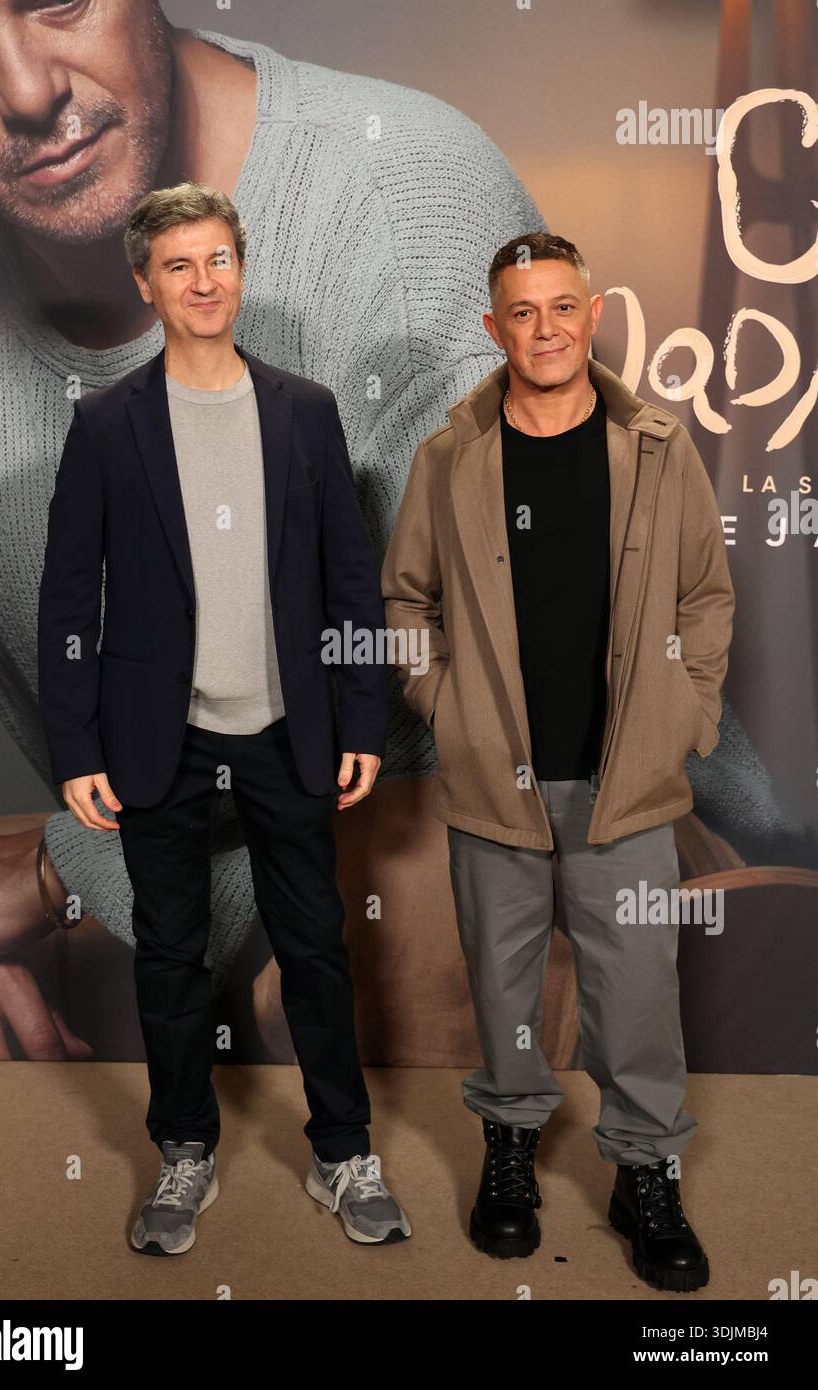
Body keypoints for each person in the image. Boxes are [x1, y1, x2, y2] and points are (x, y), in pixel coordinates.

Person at [0, 2, 551, 1054]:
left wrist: (55, 879)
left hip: (568, 901)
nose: (31, 92)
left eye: (62, 0)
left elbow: (522, 731)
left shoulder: (404, 194)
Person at [38, 182, 410, 1253]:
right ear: (146, 284)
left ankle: (343, 1149)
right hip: (156, 731)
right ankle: (184, 1152)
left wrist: (360, 722)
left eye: (219, 261)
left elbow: (351, 581)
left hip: (290, 726)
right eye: (180, 266)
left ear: (240, 270)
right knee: (172, 952)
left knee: (316, 946)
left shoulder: (306, 410)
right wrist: (74, 746)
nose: (204, 283)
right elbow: (68, 599)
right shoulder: (108, 426)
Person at [381, 232, 735, 1292]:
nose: (544, 330)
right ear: (494, 329)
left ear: (591, 314)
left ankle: (643, 1172)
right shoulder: (449, 456)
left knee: (635, 995)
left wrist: (688, 711)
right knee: (501, 984)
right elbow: (406, 603)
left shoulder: (660, 448)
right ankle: (509, 1151)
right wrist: (441, 703)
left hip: (626, 778)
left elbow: (706, 598)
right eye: (521, 314)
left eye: (561, 308)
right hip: (498, 776)